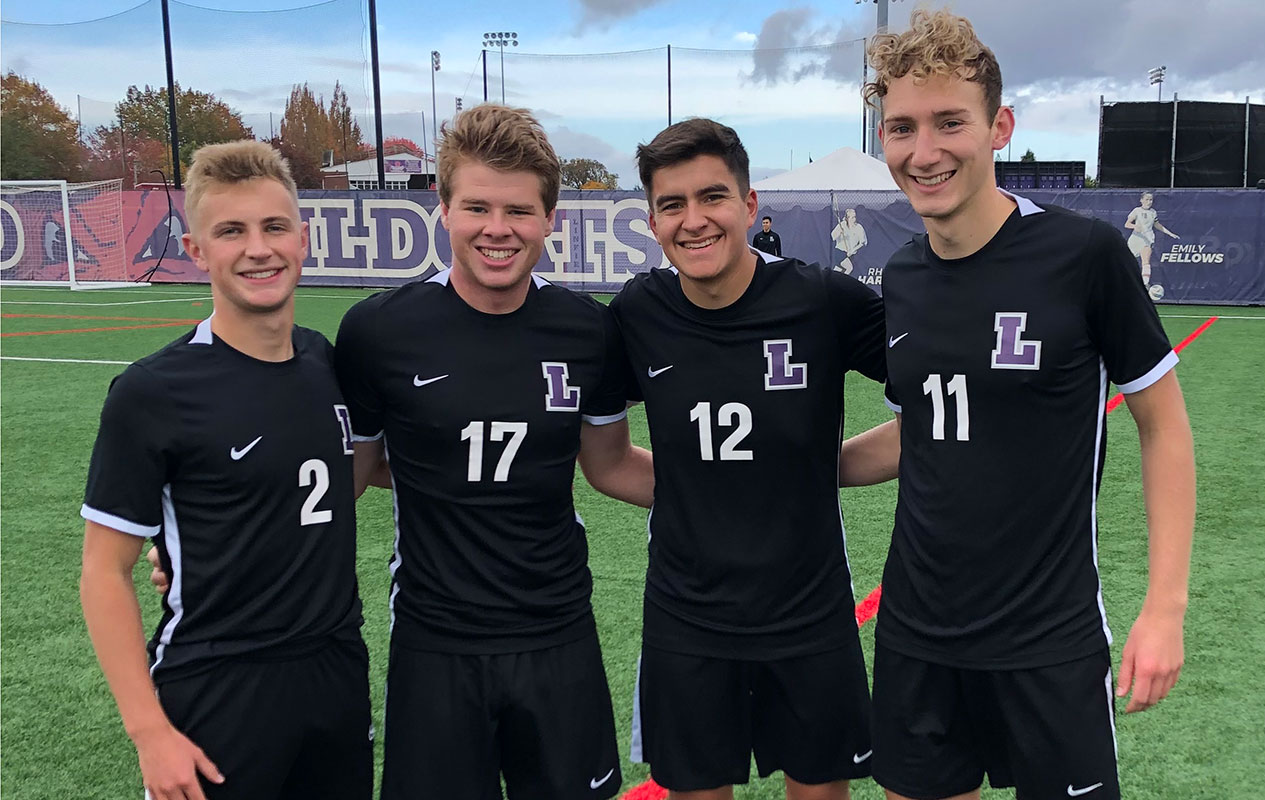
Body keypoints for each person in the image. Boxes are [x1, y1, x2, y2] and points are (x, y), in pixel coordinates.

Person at [864, 9, 1195, 800]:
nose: (924, 150)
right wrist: (806, 461)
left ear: (999, 126)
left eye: (950, 122)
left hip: (1048, 636)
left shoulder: (1084, 256)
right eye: (902, 127)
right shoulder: (903, 274)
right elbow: (927, 429)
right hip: (916, 632)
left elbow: (1164, 426)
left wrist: (1165, 607)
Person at [333, 104, 652, 800]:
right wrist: (213, 537)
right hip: (433, 638)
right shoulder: (377, 331)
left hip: (558, 632)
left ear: (550, 219)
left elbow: (609, 464)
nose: (497, 230)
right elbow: (348, 475)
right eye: (476, 207)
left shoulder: (587, 331)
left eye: (518, 210)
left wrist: (755, 483)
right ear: (442, 209)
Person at [611, 118, 898, 800]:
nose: (693, 220)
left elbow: (932, 413)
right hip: (687, 618)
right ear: (651, 221)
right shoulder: (638, 313)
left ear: (748, 206)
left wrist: (816, 468)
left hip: (810, 612)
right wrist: (694, 488)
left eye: (712, 197)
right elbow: (607, 460)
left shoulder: (823, 301)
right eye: (671, 205)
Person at [79, 141, 372, 800]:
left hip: (335, 671)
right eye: (231, 231)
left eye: (273, 227)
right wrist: (150, 733)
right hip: (217, 681)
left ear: (303, 238)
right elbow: (103, 572)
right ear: (196, 248)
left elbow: (338, 468)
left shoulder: (324, 361)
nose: (257, 248)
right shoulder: (152, 392)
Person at [1124, 191, 1178, 286]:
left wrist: (1170, 233)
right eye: (1147, 199)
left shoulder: (1153, 212)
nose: (1149, 202)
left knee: (1146, 261)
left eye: (1151, 200)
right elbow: (1127, 224)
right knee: (1127, 260)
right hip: (1135, 239)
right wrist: (1135, 227)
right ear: (1141, 200)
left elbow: (1157, 225)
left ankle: (1145, 284)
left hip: (1148, 239)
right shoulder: (1137, 211)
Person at [831, 207, 868, 275]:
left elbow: (862, 242)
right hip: (839, 252)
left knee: (838, 270)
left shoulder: (859, 227)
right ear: (847, 218)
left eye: (855, 217)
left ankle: (831, 281)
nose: (854, 219)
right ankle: (842, 282)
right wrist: (839, 232)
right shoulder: (841, 225)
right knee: (849, 268)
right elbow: (833, 237)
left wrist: (852, 250)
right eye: (852, 217)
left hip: (851, 255)